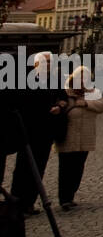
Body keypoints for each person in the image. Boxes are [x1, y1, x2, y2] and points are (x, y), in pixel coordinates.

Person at [9, 52, 68, 216]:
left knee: (39, 167)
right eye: (45, 62)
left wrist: (60, 106)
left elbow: (63, 98)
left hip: (47, 130)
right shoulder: (26, 81)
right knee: (23, 167)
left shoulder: (55, 81)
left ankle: (30, 202)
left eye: (50, 62)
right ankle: (17, 202)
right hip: (29, 130)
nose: (48, 64)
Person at [54, 66, 103, 210]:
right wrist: (61, 106)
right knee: (66, 168)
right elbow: (56, 106)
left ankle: (70, 195)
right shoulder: (66, 92)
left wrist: (86, 103)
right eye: (81, 78)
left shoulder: (92, 93)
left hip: (85, 137)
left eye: (86, 79)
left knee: (78, 168)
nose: (83, 82)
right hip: (68, 137)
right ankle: (64, 198)